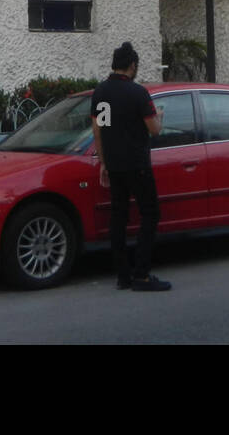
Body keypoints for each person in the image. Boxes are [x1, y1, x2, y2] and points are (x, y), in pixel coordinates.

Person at [90, 42, 170, 291]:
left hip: (114, 165)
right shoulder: (138, 93)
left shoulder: (101, 93)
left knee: (118, 218)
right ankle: (142, 275)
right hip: (137, 164)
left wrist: (103, 162)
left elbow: (98, 130)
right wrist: (161, 118)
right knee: (150, 213)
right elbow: (154, 130)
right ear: (132, 66)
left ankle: (123, 276)